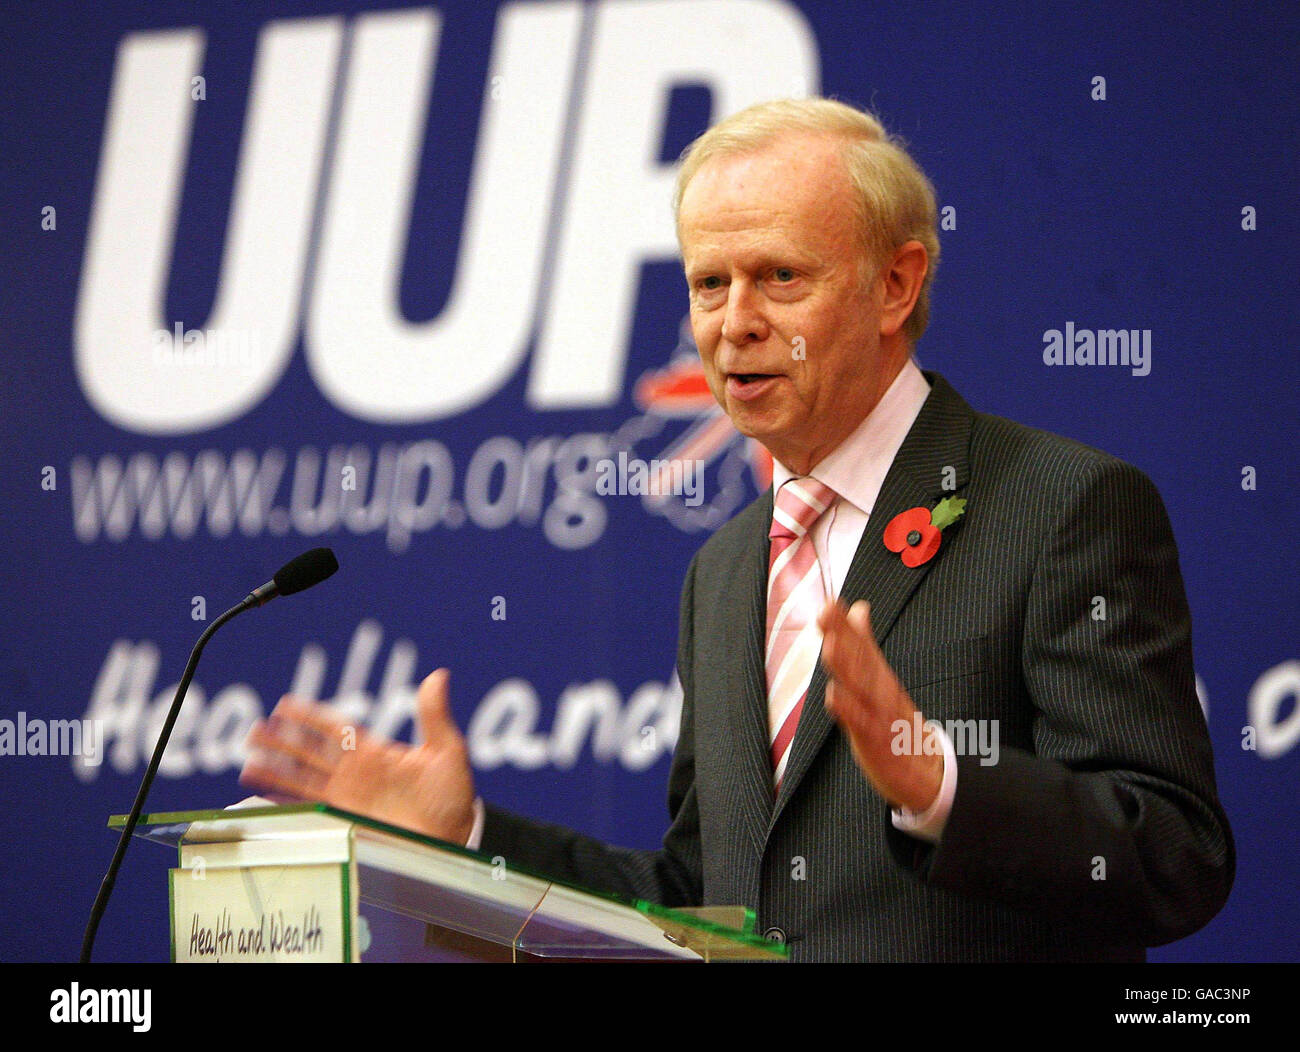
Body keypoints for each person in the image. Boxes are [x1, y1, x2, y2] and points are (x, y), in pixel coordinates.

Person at [241, 97, 1234, 962]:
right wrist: (460, 829)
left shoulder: (1061, 505)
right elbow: (700, 898)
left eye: (778, 278)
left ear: (894, 284)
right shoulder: (725, 569)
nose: (733, 321)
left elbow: (1175, 853)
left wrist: (942, 786)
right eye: (709, 284)